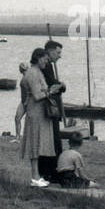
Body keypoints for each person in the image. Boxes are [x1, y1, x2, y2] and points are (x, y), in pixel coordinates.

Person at [20, 48, 55, 187]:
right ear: (39, 58)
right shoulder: (33, 73)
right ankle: (34, 177)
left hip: (38, 112)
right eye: (45, 59)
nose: (47, 62)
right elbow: (37, 95)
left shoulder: (35, 72)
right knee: (34, 143)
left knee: (37, 143)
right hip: (36, 112)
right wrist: (51, 91)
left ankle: (36, 176)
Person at [41, 39, 67, 180]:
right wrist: (61, 85)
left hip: (51, 107)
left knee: (53, 140)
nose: (59, 56)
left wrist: (58, 85)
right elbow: (52, 85)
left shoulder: (46, 65)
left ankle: (51, 170)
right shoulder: (47, 66)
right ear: (50, 52)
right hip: (50, 108)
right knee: (54, 140)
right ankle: (53, 171)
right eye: (58, 53)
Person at [14, 61, 31, 138]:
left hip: (29, 102)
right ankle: (17, 136)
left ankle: (29, 137)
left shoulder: (28, 78)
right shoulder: (24, 77)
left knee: (30, 122)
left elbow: (30, 91)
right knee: (17, 118)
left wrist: (27, 101)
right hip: (23, 101)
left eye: (20, 67)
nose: (19, 69)